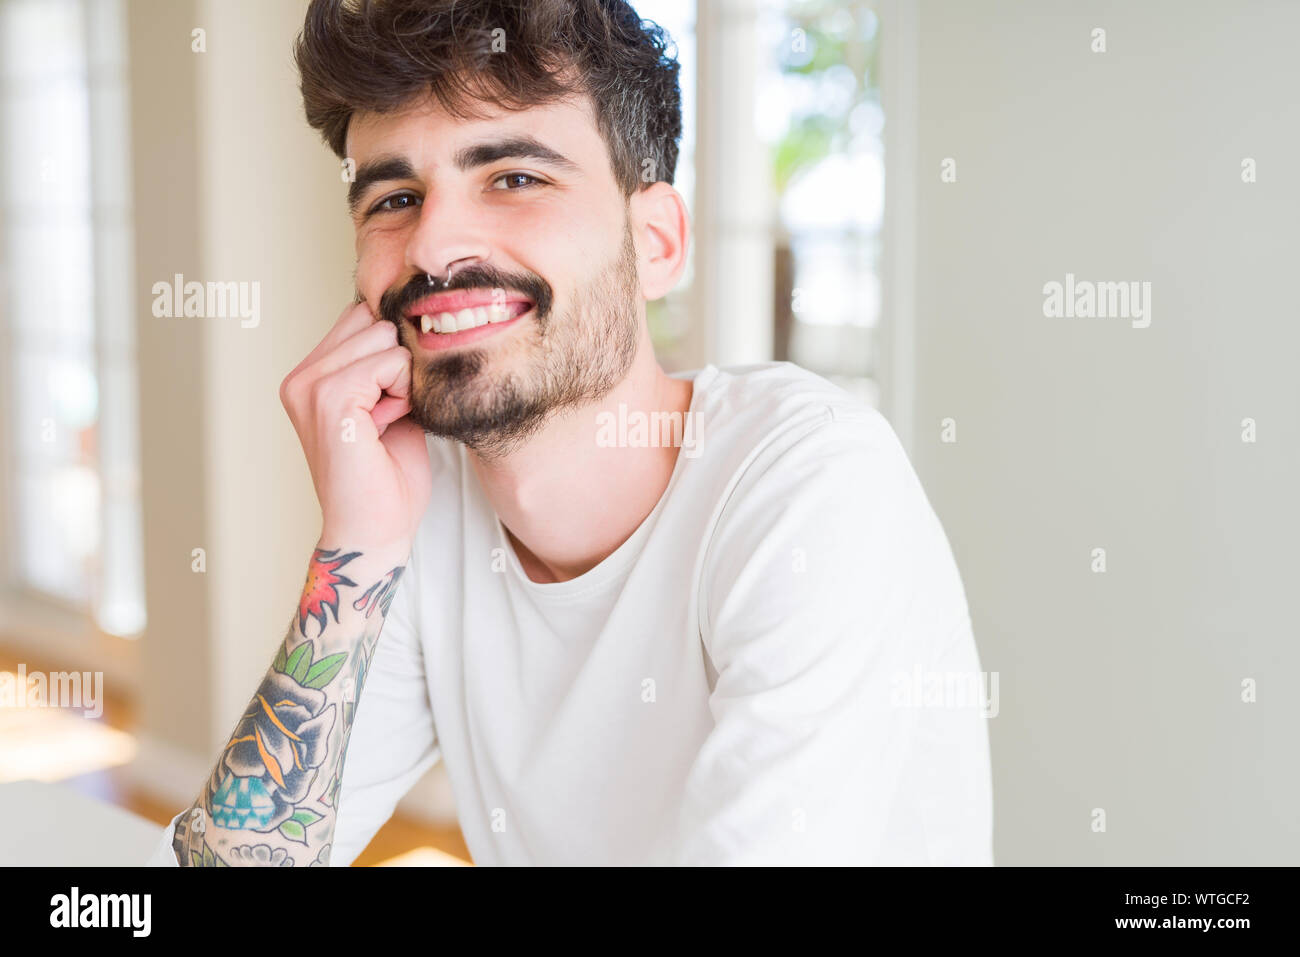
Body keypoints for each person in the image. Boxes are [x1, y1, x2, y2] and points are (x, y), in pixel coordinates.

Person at [147, 0, 993, 867]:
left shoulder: (814, 489)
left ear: (656, 242)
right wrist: (355, 547)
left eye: (514, 176)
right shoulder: (422, 507)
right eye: (396, 198)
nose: (433, 246)